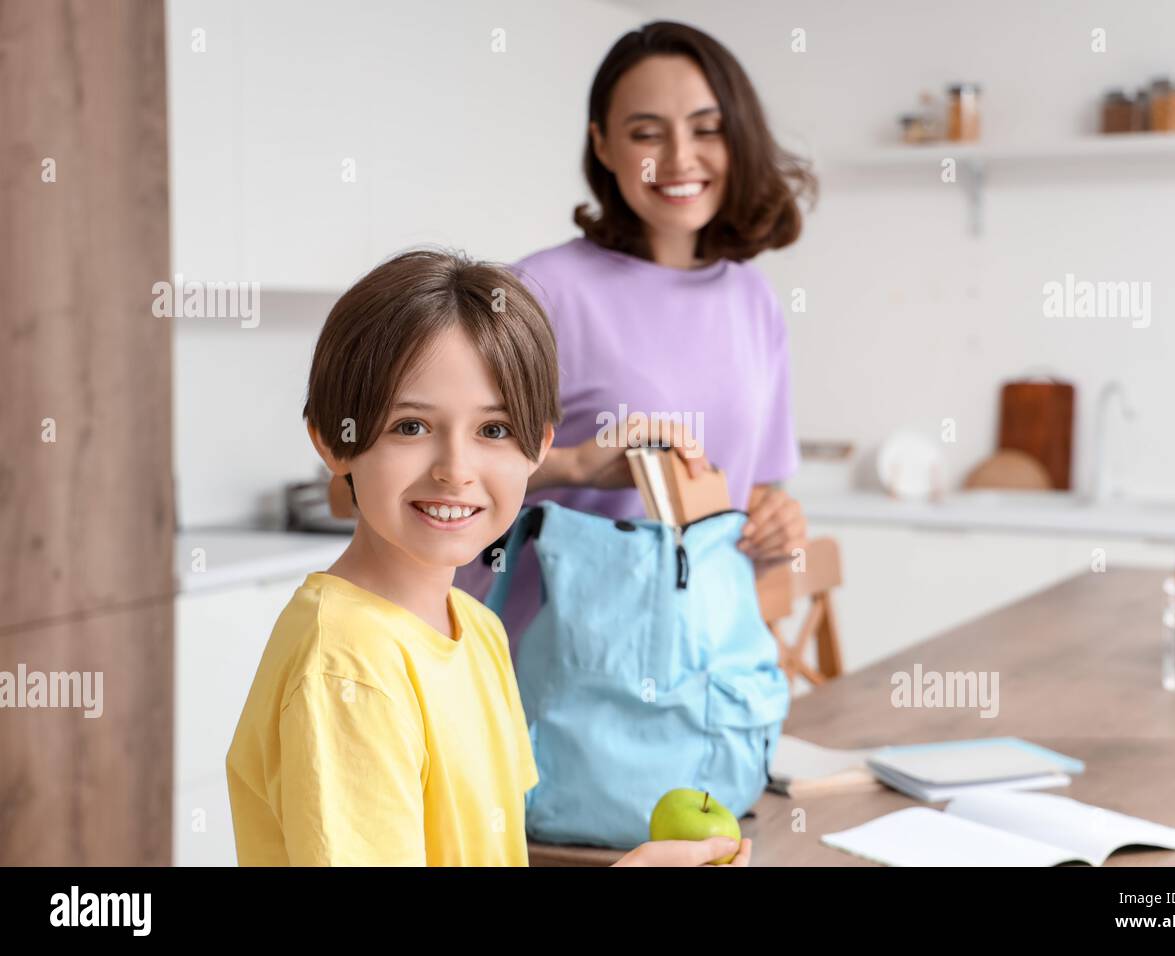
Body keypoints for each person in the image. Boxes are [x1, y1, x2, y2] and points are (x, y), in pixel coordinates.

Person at [226, 249, 750, 866]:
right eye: (411, 427)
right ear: (332, 443)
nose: (455, 471)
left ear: (540, 447)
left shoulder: (478, 630)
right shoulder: (347, 671)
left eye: (494, 430)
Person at [454, 21, 817, 652]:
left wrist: (778, 520)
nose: (678, 159)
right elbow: (376, 484)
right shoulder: (538, 293)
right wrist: (573, 466)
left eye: (707, 129)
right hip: (543, 677)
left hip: (697, 670)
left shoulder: (751, 297)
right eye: (646, 133)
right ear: (602, 144)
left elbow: (759, 487)